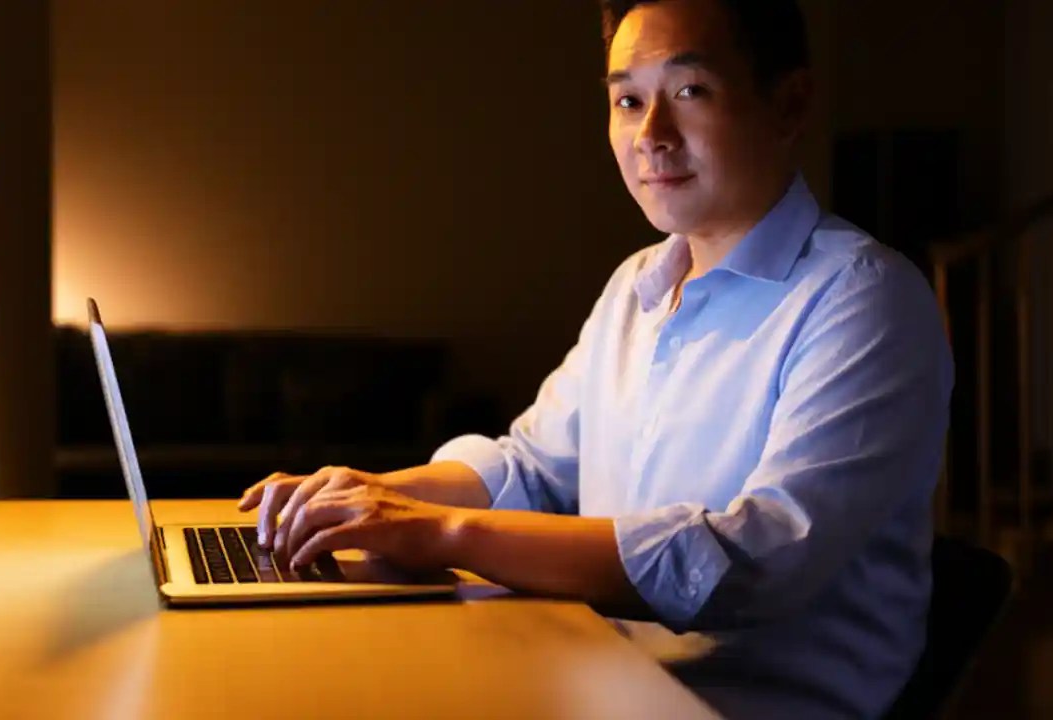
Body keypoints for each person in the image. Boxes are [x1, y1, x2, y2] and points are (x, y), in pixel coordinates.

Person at [237, 1, 953, 717]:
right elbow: (532, 468)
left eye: (689, 92)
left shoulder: (864, 297)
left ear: (789, 103)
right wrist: (366, 496)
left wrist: (441, 532)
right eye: (628, 100)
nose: (652, 135)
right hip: (594, 673)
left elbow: (754, 560)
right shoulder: (637, 285)